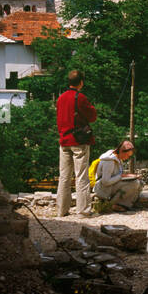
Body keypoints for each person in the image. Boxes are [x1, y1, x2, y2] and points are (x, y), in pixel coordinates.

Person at [56, 70, 96, 217]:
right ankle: (83, 211)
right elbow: (92, 116)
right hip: (78, 141)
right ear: (81, 82)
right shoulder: (80, 98)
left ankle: (61, 210)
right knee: (81, 176)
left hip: (64, 141)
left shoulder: (60, 98)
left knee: (64, 177)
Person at [93, 141, 142, 212]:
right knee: (135, 183)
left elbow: (116, 175)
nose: (128, 158)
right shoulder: (109, 161)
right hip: (103, 188)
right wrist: (122, 176)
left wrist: (128, 176)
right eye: (127, 155)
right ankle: (112, 204)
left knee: (140, 182)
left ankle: (124, 204)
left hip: (110, 186)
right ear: (122, 152)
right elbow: (105, 181)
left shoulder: (118, 159)